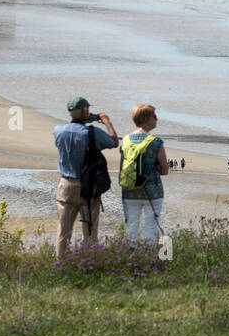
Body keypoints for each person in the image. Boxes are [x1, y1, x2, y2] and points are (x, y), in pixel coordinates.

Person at [52, 97, 118, 260]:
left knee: (63, 231)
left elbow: (73, 128)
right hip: (88, 187)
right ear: (84, 111)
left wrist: (83, 119)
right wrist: (106, 121)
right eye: (87, 109)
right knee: (90, 231)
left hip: (66, 185)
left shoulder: (59, 130)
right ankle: (89, 263)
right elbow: (114, 142)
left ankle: (60, 265)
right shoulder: (94, 133)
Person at [120, 104, 168, 244]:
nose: (157, 119)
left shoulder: (126, 140)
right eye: (155, 116)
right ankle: (149, 261)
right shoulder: (155, 142)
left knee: (131, 229)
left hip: (129, 190)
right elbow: (165, 170)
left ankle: (130, 259)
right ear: (147, 118)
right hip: (152, 191)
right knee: (150, 229)